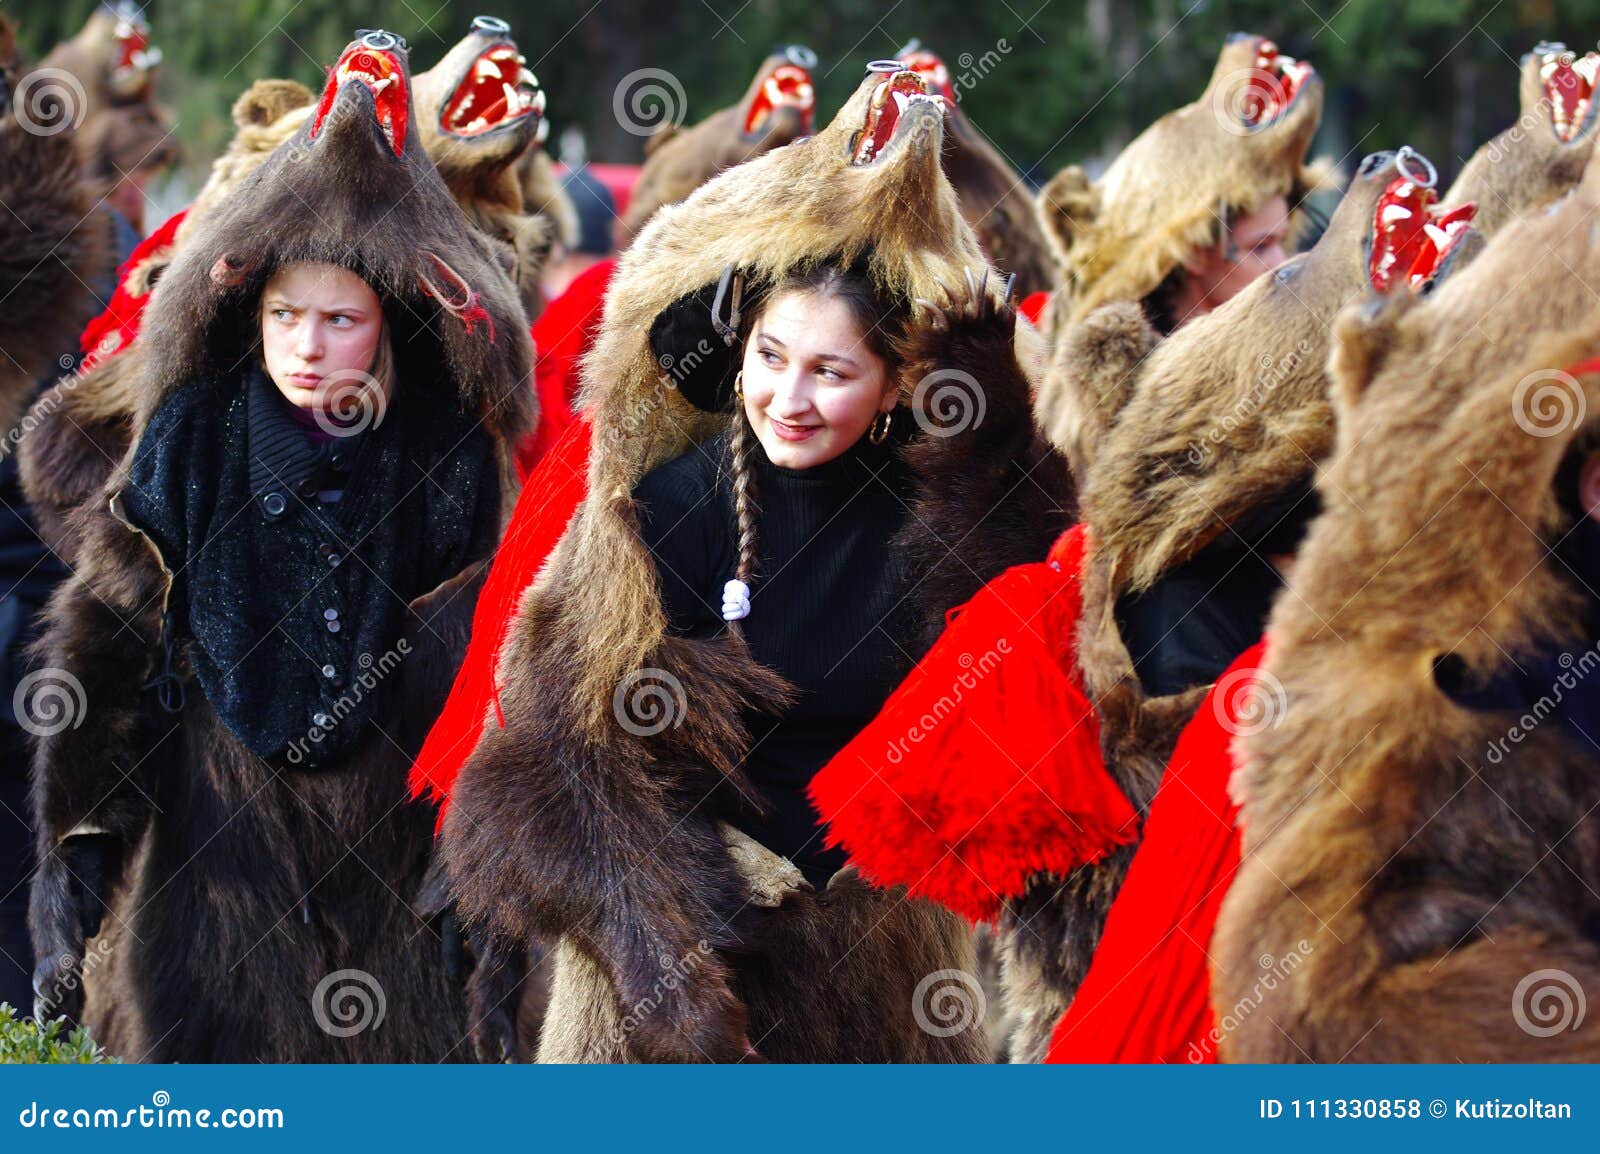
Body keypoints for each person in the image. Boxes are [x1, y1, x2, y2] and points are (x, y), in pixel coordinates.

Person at [440, 61, 1072, 1062]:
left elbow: (1030, 649)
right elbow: (541, 778)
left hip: (885, 956)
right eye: (771, 357)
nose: (789, 397)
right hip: (681, 960)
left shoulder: (929, 516)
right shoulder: (669, 505)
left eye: (831, 371)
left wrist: (995, 441)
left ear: (895, 385)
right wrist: (665, 967)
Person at [26, 30, 532, 1062]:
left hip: (396, 888)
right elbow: (115, 643)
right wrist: (81, 848)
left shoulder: (449, 459)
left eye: (338, 318)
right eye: (283, 313)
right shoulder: (190, 438)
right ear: (246, 313)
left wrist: (472, 878)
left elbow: (490, 684)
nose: (307, 344)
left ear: (384, 324)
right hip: (217, 881)